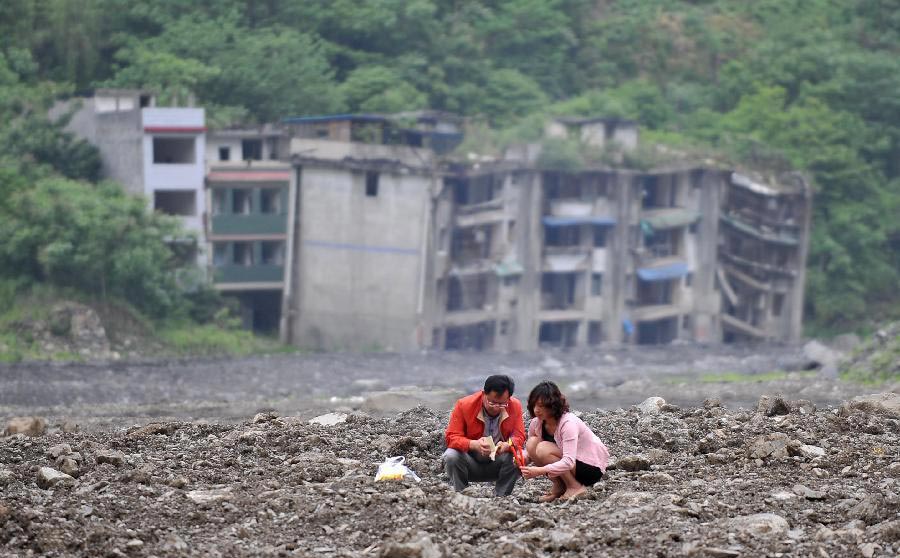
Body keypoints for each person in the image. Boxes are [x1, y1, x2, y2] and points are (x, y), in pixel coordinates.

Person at [520, 381, 609, 501]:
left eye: (541, 406)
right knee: (532, 443)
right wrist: (522, 458)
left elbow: (568, 460)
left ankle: (575, 487)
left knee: (543, 448)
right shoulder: (536, 423)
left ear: (553, 405)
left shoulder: (568, 423)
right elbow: (529, 451)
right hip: (570, 465)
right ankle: (560, 485)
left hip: (589, 466)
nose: (536, 410)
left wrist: (540, 471)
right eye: (534, 405)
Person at [443, 374, 526, 496]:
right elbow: (451, 437)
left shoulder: (515, 405)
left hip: (498, 462)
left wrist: (507, 445)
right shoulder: (464, 405)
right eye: (492, 402)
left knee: (519, 456)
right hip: (469, 462)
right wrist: (474, 444)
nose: (496, 408)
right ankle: (461, 494)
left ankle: (502, 497)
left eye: (502, 404)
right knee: (451, 455)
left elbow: (519, 436)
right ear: (483, 394)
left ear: (509, 399)